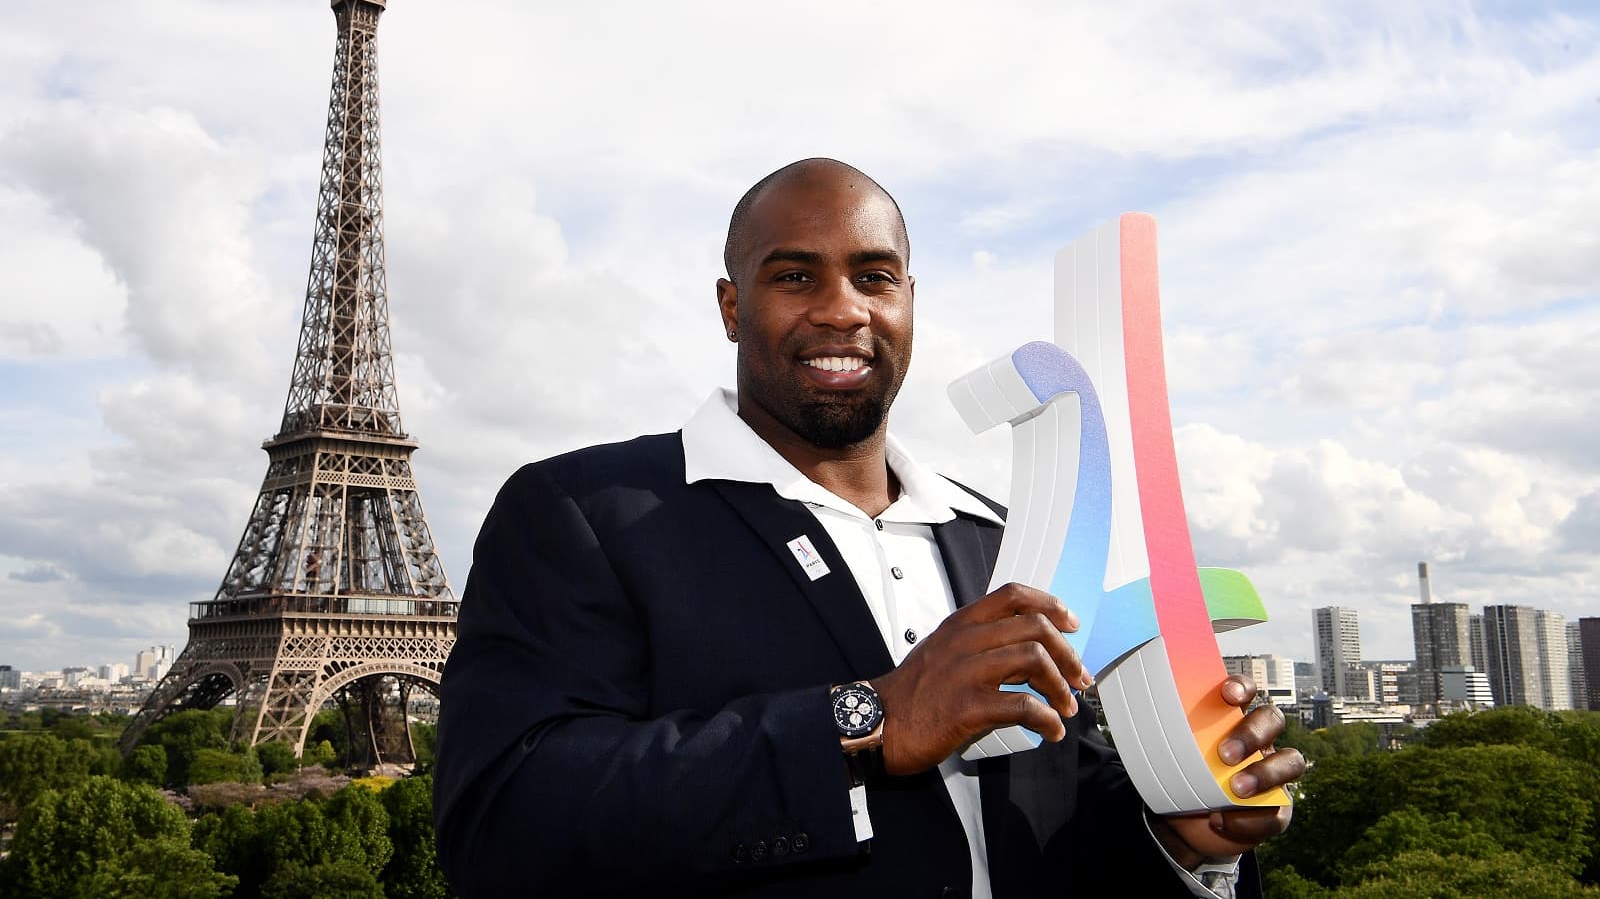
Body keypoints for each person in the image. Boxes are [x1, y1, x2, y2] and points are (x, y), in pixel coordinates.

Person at [433, 159, 1304, 898]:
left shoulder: (998, 537)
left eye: (874, 277)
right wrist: (869, 719)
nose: (842, 309)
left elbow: (1049, 823)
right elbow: (505, 822)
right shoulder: (584, 511)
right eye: (795, 275)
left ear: (910, 302)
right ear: (732, 307)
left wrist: (1185, 837)